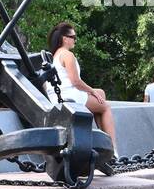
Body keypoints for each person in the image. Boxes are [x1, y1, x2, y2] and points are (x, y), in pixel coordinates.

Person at [46, 21, 117, 150]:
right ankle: (113, 147)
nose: (75, 40)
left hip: (62, 93)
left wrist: (94, 92)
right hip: (69, 95)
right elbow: (75, 81)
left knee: (100, 94)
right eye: (73, 37)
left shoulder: (56, 55)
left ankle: (103, 141)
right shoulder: (67, 55)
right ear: (64, 39)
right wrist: (91, 91)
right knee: (106, 107)